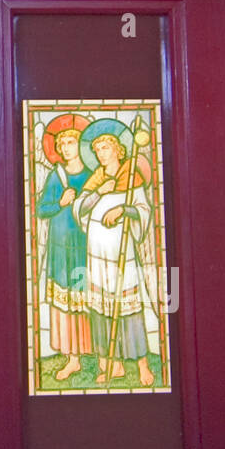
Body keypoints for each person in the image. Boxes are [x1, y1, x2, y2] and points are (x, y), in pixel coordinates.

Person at [76, 130, 155, 387]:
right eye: (97, 150)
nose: (101, 154)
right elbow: (79, 208)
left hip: (122, 251)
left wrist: (123, 208)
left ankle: (142, 365)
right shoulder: (95, 178)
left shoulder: (131, 176)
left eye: (105, 148)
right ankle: (113, 364)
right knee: (100, 307)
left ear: (118, 150)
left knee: (128, 307)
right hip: (97, 252)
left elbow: (144, 211)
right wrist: (100, 192)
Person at [35, 126, 92, 381]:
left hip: (87, 246)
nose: (67, 147)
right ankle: (73, 359)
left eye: (71, 142)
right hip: (60, 248)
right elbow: (41, 209)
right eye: (62, 144)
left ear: (81, 145)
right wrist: (60, 203)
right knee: (65, 301)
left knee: (90, 297)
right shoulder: (56, 176)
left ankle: (99, 353)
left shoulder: (94, 175)